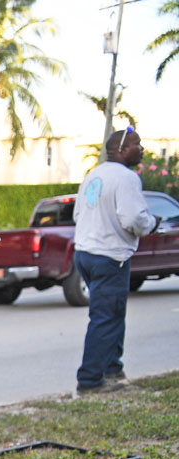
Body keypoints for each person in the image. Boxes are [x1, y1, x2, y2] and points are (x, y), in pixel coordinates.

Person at [71, 127, 158, 394]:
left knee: (112, 314)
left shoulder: (92, 176)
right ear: (121, 149)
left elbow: (77, 214)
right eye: (136, 144)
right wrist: (151, 224)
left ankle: (112, 370)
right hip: (110, 256)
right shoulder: (126, 178)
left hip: (85, 253)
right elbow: (133, 219)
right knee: (106, 318)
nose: (141, 149)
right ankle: (90, 381)